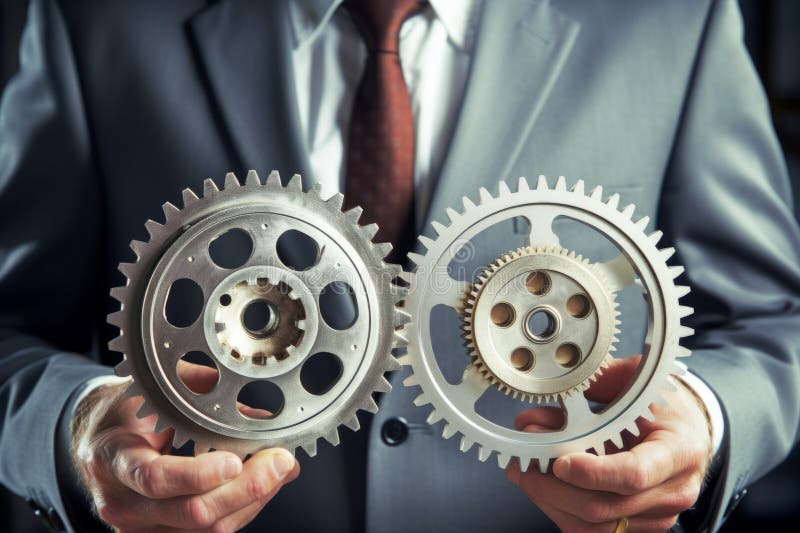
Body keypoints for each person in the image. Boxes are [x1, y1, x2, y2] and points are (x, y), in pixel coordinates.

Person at [1, 0, 799, 531]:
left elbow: (771, 319)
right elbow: (11, 327)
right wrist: (76, 431)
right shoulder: (95, 18)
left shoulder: (673, 18)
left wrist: (708, 418)